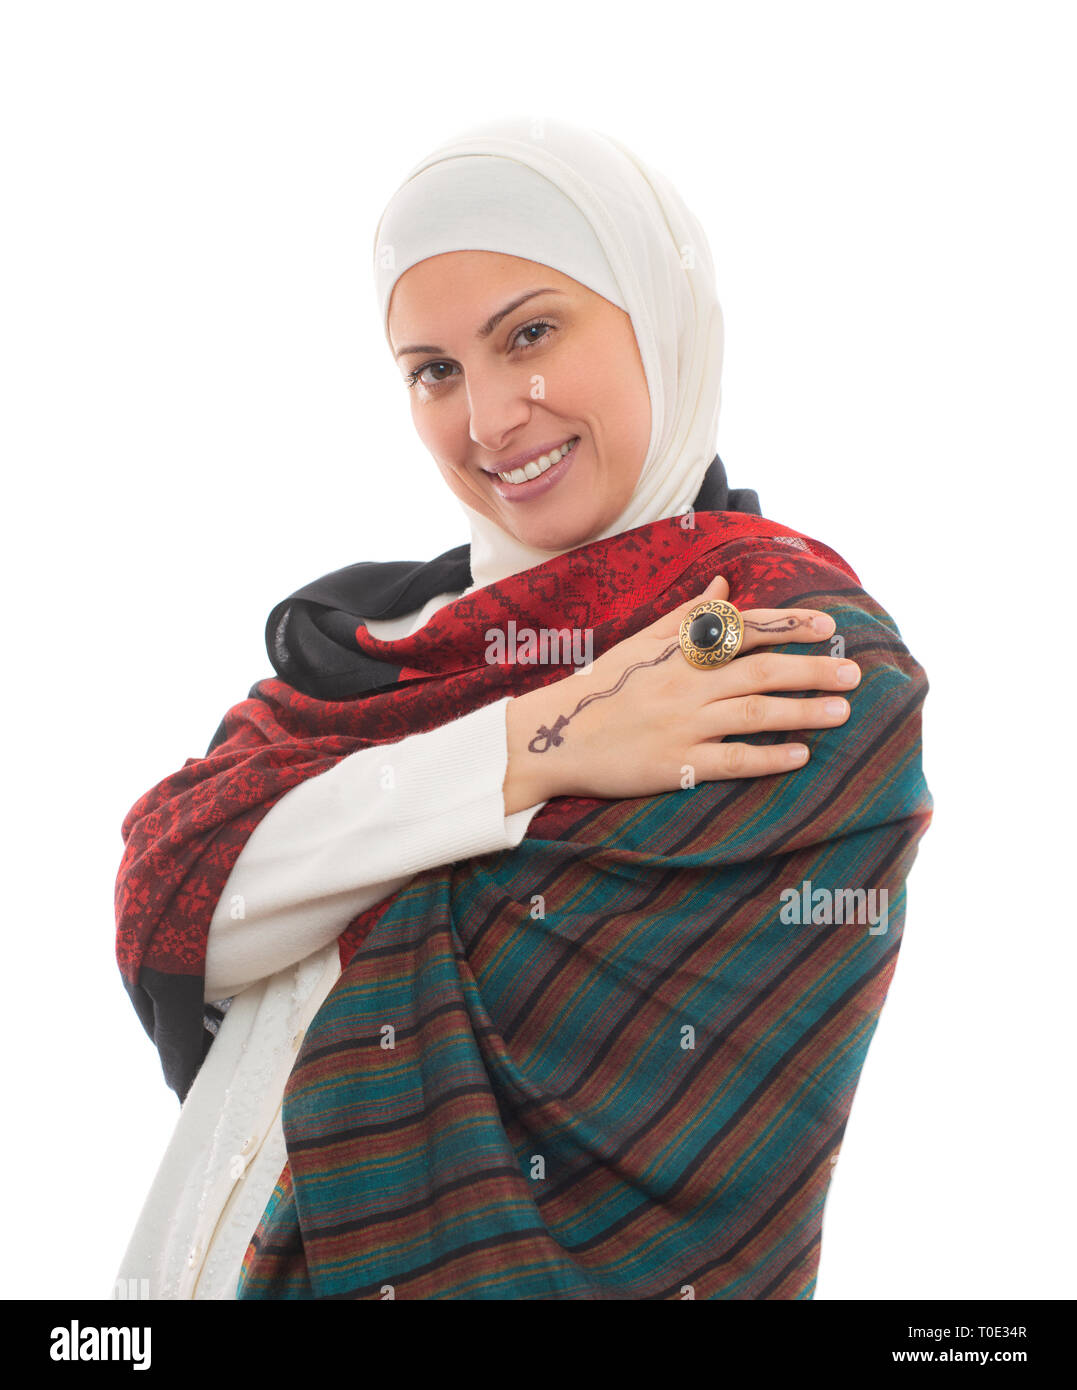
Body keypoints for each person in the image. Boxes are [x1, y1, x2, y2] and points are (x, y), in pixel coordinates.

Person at [115, 115, 931, 1300]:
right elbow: (188, 908)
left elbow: (669, 1078)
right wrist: (541, 744)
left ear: (655, 314)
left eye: (531, 334)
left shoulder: (795, 643)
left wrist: (376, 829)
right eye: (435, 371)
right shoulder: (375, 651)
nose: (491, 419)